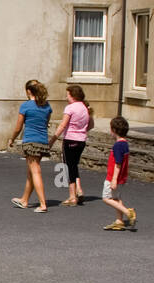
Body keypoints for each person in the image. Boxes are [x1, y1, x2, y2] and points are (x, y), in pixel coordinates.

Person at [8, 78, 52, 212]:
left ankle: (43, 204)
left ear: (28, 91)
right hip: (42, 141)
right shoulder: (47, 106)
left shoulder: (26, 106)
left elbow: (18, 127)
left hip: (30, 141)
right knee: (31, 172)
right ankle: (24, 200)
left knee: (35, 171)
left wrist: (12, 139)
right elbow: (45, 123)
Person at [50, 84, 93, 205]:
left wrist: (53, 139)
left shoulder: (70, 108)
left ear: (72, 95)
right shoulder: (85, 107)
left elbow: (63, 125)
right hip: (81, 140)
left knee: (68, 167)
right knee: (74, 165)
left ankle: (72, 196)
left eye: (67, 94)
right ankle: (78, 190)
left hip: (70, 139)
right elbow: (90, 125)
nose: (66, 97)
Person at [103, 116, 136, 231]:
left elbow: (118, 164)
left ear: (114, 130)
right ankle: (119, 220)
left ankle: (128, 212)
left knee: (106, 198)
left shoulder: (117, 146)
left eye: (111, 129)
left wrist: (113, 179)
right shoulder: (125, 144)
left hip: (113, 176)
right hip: (122, 177)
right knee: (117, 198)